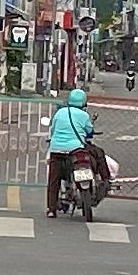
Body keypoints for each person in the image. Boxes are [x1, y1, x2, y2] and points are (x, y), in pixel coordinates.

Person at [44, 85, 98, 217]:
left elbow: (53, 129)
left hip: (56, 150)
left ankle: (51, 209)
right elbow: (89, 131)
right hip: (75, 150)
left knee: (53, 180)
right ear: (83, 102)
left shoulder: (60, 113)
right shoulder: (84, 115)